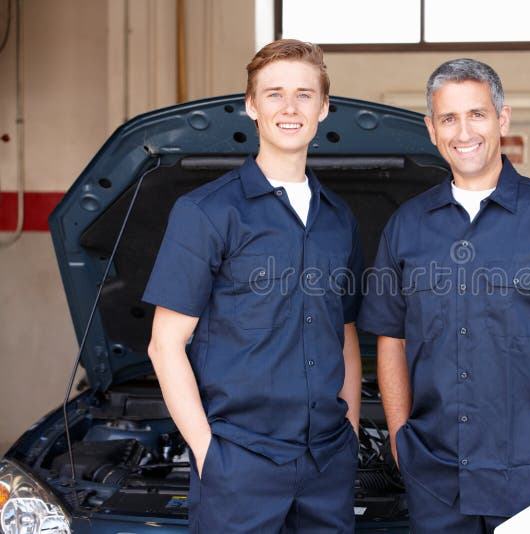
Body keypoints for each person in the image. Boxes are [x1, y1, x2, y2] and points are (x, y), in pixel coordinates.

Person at [357, 58, 530, 532]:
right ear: (431, 129)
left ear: (502, 119)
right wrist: (401, 438)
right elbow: (391, 340)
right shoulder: (406, 227)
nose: (464, 132)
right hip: (436, 480)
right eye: (449, 118)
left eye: (477, 114)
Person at [143, 39, 364, 533]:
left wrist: (347, 431)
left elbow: (344, 331)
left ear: (324, 108)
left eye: (305, 94)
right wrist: (208, 454)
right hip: (239, 464)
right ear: (251, 106)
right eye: (274, 94)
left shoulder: (339, 220)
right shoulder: (207, 212)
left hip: (327, 464)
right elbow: (165, 345)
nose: (290, 107)